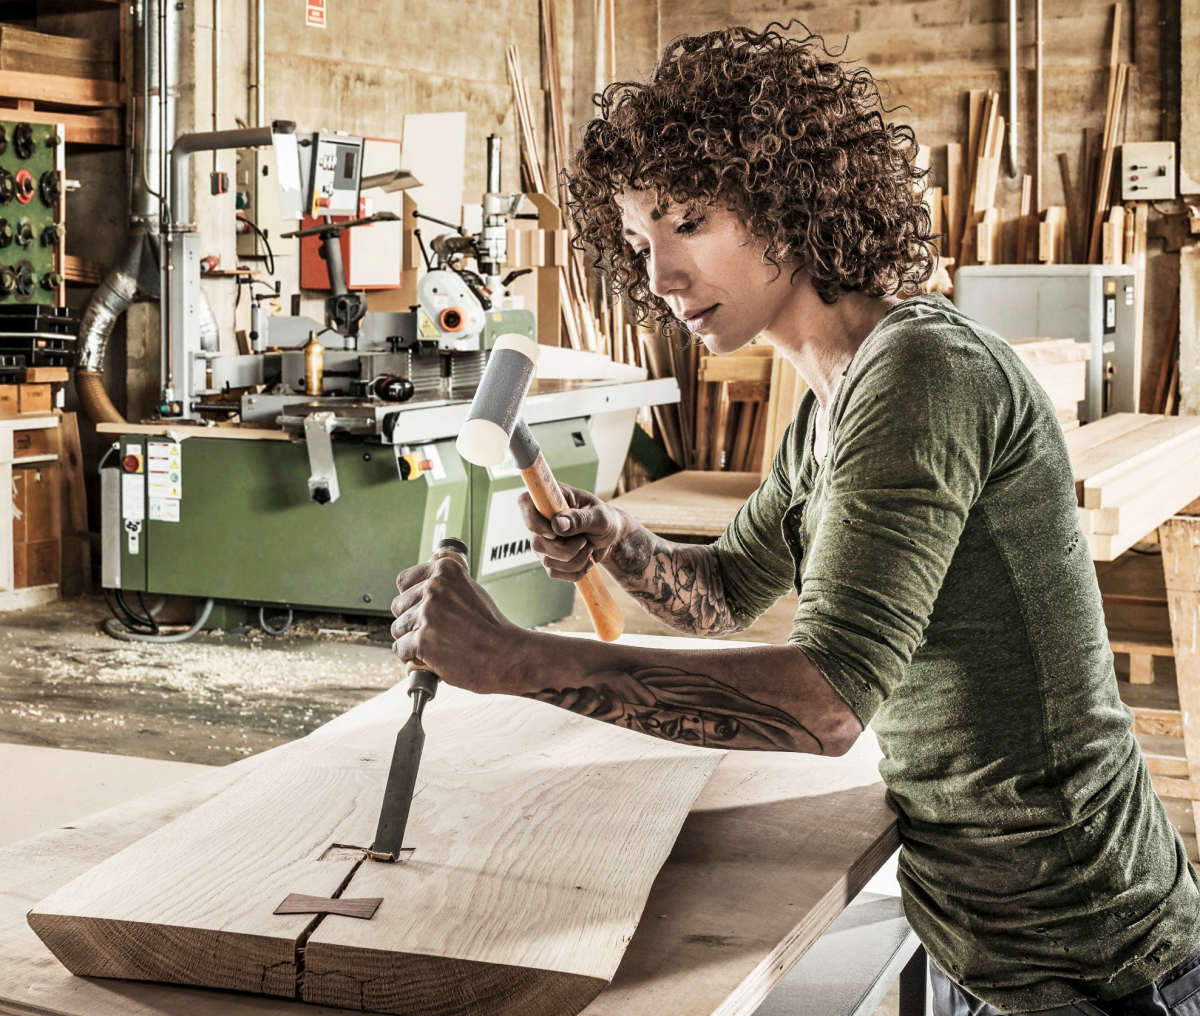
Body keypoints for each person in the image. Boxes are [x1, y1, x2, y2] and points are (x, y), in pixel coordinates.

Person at [391, 23, 1200, 1015]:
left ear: (790, 194)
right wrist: (615, 540)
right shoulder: (829, 403)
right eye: (642, 242)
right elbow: (725, 596)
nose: (660, 276)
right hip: (984, 942)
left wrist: (514, 659)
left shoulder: (918, 372)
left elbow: (826, 705)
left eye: (689, 222)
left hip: (1097, 961)